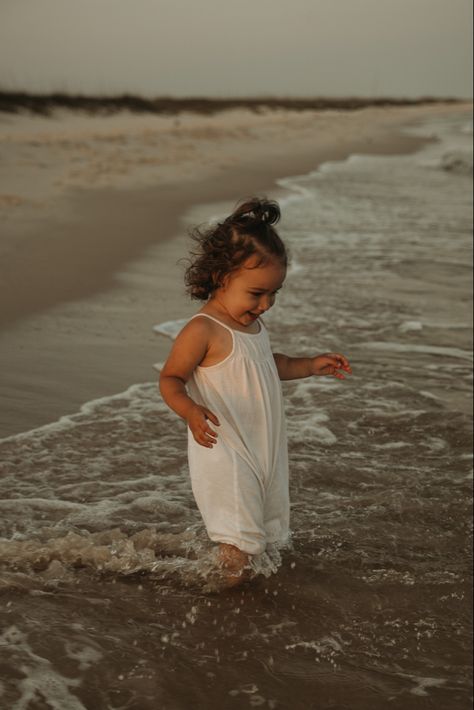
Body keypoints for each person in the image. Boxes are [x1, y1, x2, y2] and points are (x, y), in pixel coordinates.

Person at [159, 197, 351, 587]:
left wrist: (309, 365)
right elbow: (170, 378)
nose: (266, 305)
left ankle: (235, 586)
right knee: (239, 541)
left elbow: (269, 364)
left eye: (274, 294)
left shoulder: (251, 326)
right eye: (256, 293)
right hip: (226, 448)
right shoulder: (204, 329)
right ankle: (223, 601)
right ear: (221, 277)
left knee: (263, 532)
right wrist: (190, 411)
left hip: (264, 449)